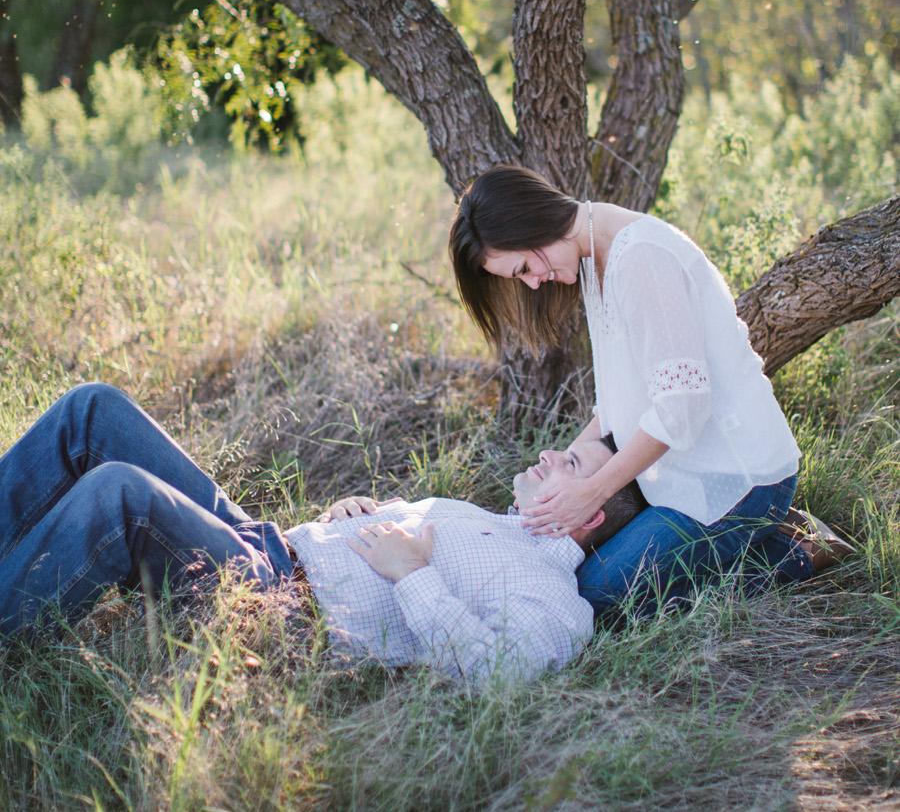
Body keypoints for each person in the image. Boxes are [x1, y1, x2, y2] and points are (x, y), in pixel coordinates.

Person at [0, 383, 643, 684]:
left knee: (121, 496)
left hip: (279, 607)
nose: (551, 458)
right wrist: (357, 512)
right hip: (267, 543)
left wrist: (410, 573)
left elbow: (504, 672)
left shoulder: (554, 598)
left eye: (573, 465)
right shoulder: (484, 518)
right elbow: (397, 530)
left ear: (590, 516)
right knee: (94, 410)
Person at [449, 164, 853, 622]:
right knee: (560, 582)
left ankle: (790, 548)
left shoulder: (641, 257)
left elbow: (681, 409)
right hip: (677, 481)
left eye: (523, 267)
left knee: (587, 600)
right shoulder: (593, 260)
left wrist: (593, 492)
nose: (532, 282)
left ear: (532, 225)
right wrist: (567, 473)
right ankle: (749, 536)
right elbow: (621, 403)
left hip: (738, 481)